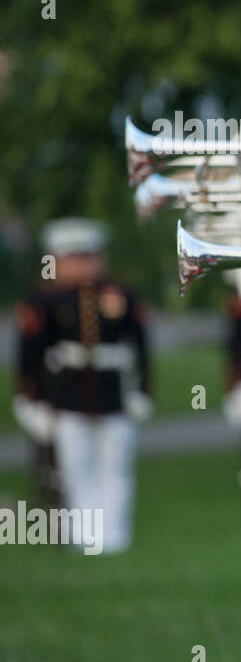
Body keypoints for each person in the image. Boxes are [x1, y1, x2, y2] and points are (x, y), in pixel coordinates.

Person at [16, 218, 151, 554]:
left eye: (89, 257)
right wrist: (31, 399)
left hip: (112, 393)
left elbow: (140, 348)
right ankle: (83, 537)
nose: (84, 265)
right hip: (67, 396)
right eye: (75, 258)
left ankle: (114, 536)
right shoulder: (44, 299)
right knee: (76, 468)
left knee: (115, 467)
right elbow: (30, 356)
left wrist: (142, 390)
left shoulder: (120, 294)